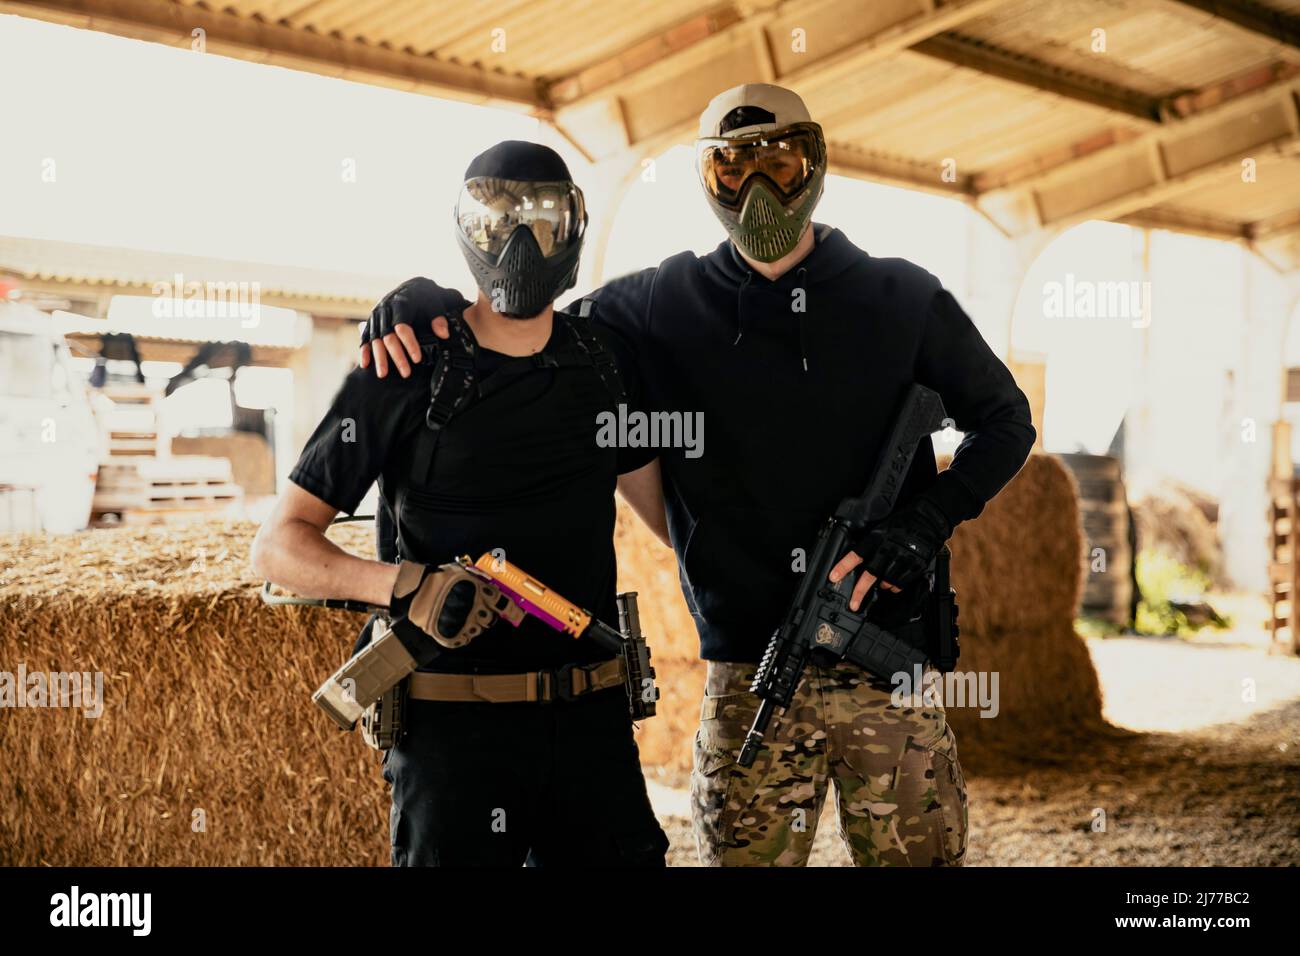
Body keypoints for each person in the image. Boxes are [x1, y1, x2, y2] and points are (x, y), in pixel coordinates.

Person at [358, 84, 1036, 867]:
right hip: (752, 676)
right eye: (733, 169)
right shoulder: (655, 305)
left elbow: (1006, 421)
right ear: (706, 181)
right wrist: (425, 301)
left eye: (780, 164)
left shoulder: (903, 295)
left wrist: (922, 524)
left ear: (814, 166)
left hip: (892, 671)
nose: (759, 190)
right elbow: (522, 323)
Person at [252, 140, 668, 868]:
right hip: (452, 734)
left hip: (589, 721)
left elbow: (671, 517)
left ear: (572, 228)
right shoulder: (405, 366)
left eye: (539, 222)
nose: (517, 245)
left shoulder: (606, 363)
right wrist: (406, 587)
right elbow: (279, 547)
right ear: (465, 231)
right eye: (495, 221)